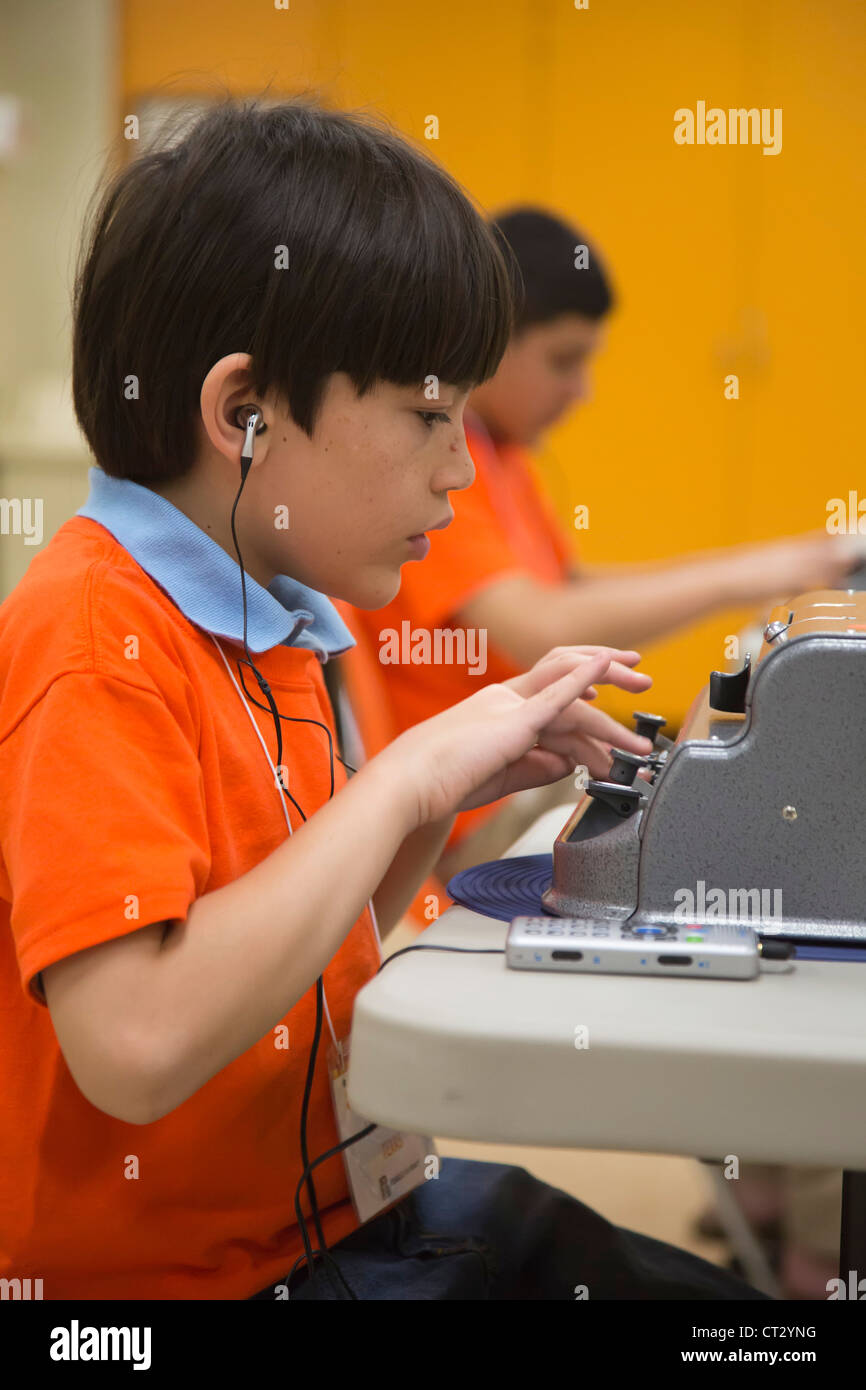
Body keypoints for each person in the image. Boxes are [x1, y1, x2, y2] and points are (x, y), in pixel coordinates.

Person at [0, 98, 771, 1301]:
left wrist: (453, 781)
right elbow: (137, 1042)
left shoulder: (271, 613)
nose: (460, 469)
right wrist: (404, 776)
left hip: (333, 1217)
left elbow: (304, 937)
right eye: (426, 416)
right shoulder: (97, 633)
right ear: (244, 416)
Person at [335, 207, 858, 897]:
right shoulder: (442, 472)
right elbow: (541, 627)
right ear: (489, 342)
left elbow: (569, 587)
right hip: (476, 811)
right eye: (563, 360)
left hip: (519, 776)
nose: (580, 390)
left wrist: (780, 563)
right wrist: (758, 573)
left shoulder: (501, 455)